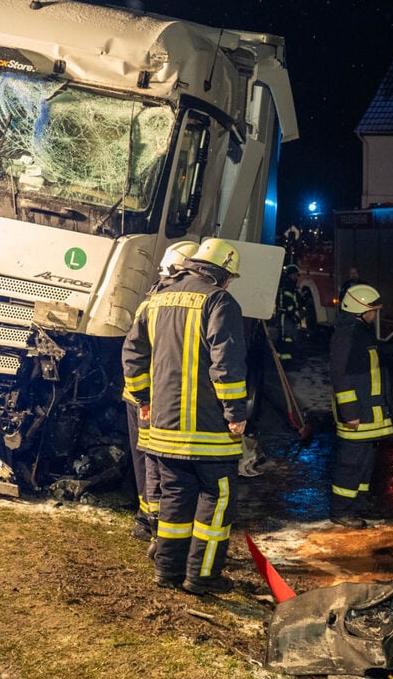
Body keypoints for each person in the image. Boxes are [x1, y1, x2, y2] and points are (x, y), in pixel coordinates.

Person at [122, 237, 248, 595]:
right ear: (223, 275)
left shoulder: (156, 298)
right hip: (208, 432)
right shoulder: (219, 301)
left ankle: (167, 571)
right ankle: (202, 577)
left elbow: (131, 354)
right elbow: (226, 365)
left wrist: (142, 398)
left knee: (175, 498)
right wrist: (235, 413)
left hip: (163, 429)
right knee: (217, 499)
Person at [127, 240, 198, 541]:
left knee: (148, 460)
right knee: (152, 462)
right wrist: (144, 398)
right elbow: (136, 355)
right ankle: (150, 522)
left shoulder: (154, 299)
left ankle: (148, 520)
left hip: (147, 395)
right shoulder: (167, 302)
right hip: (152, 398)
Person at [329, 283, 393, 528]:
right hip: (358, 415)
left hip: (369, 413)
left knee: (365, 463)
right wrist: (350, 413)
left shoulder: (359, 331)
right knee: (351, 464)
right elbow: (341, 377)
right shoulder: (347, 336)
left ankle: (357, 504)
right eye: (373, 310)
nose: (375, 314)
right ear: (361, 309)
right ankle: (342, 510)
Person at [274, 264, 307, 367]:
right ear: (291, 275)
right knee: (287, 338)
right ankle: (285, 362)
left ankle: (284, 360)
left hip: (288, 316)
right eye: (296, 275)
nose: (297, 278)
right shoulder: (288, 286)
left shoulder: (289, 285)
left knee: (287, 338)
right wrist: (296, 315)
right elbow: (289, 304)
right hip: (287, 316)